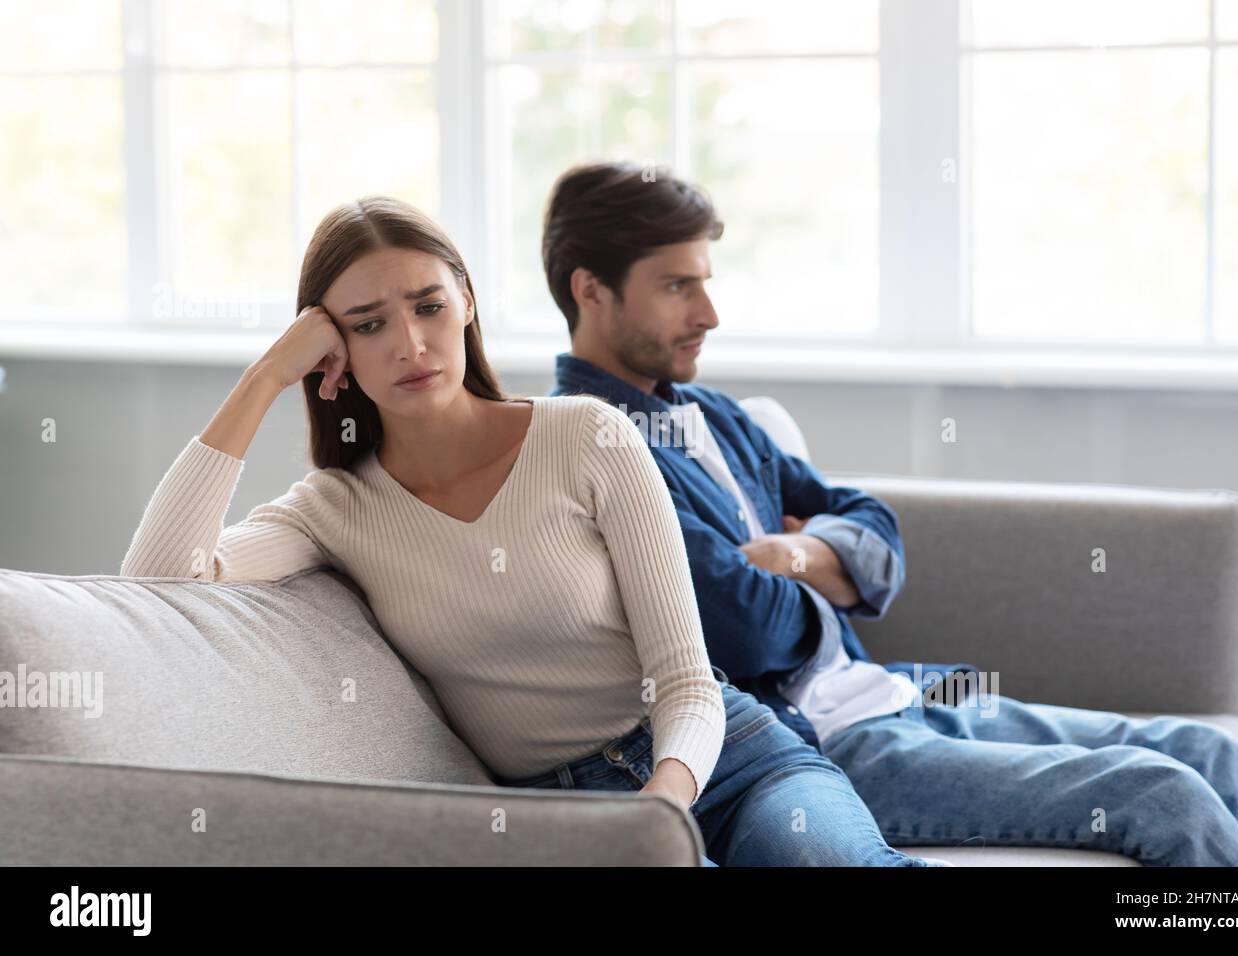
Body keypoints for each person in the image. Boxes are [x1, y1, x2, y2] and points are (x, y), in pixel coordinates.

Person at [121, 195, 939, 867]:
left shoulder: (587, 435)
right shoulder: (333, 508)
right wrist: (265, 376)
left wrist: (660, 806)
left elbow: (688, 681)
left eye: (429, 306)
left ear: (466, 305)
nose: (410, 343)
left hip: (724, 764)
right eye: (367, 325)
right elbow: (157, 581)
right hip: (558, 822)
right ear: (331, 353)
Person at [542, 160, 1238, 866]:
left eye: (705, 281)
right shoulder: (592, 447)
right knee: (1160, 793)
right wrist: (821, 575)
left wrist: (798, 557)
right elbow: (743, 633)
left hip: (908, 693)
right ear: (590, 291)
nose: (709, 312)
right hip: (828, 743)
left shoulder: (716, 414)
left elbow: (875, 526)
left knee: (1210, 752)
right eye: (677, 287)